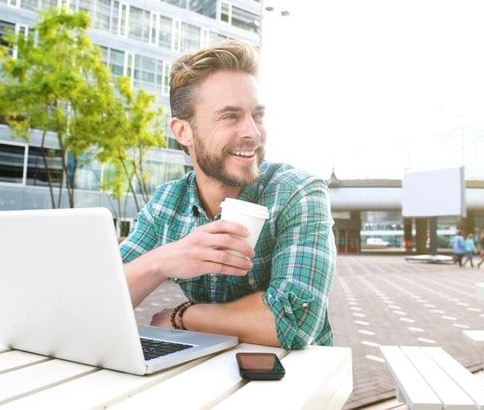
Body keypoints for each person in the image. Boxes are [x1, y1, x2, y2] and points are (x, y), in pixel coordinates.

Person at [120, 40, 337, 350]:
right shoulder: (168, 203)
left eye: (257, 115)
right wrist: (165, 260)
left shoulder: (297, 193)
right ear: (183, 132)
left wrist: (184, 316)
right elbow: (101, 296)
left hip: (296, 382)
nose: (253, 132)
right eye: (230, 116)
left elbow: (293, 322)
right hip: (210, 373)